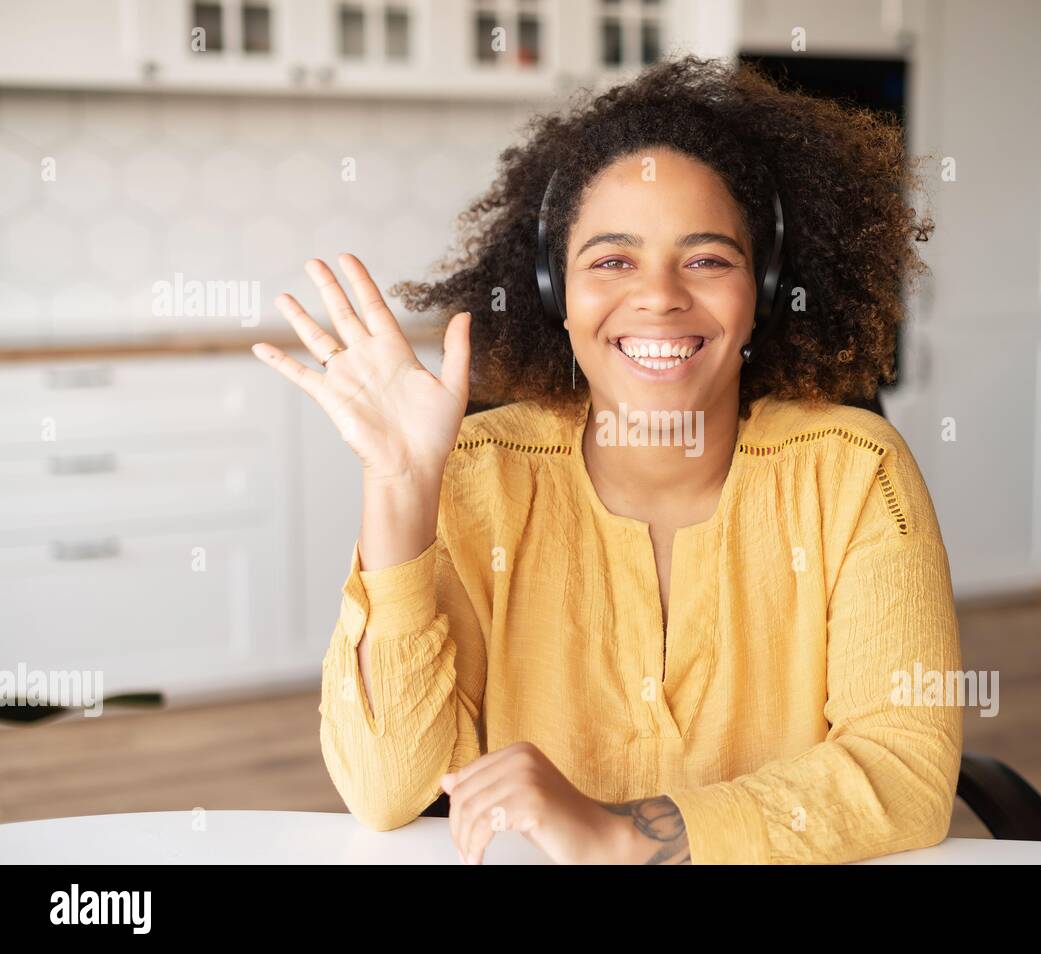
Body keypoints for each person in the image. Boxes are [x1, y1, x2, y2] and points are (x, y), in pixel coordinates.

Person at [252, 56, 961, 865]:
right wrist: (402, 489)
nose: (659, 295)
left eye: (707, 259)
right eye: (613, 260)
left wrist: (625, 837)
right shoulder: (476, 473)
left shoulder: (853, 471)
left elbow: (905, 769)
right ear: (557, 294)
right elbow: (387, 794)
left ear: (761, 291)